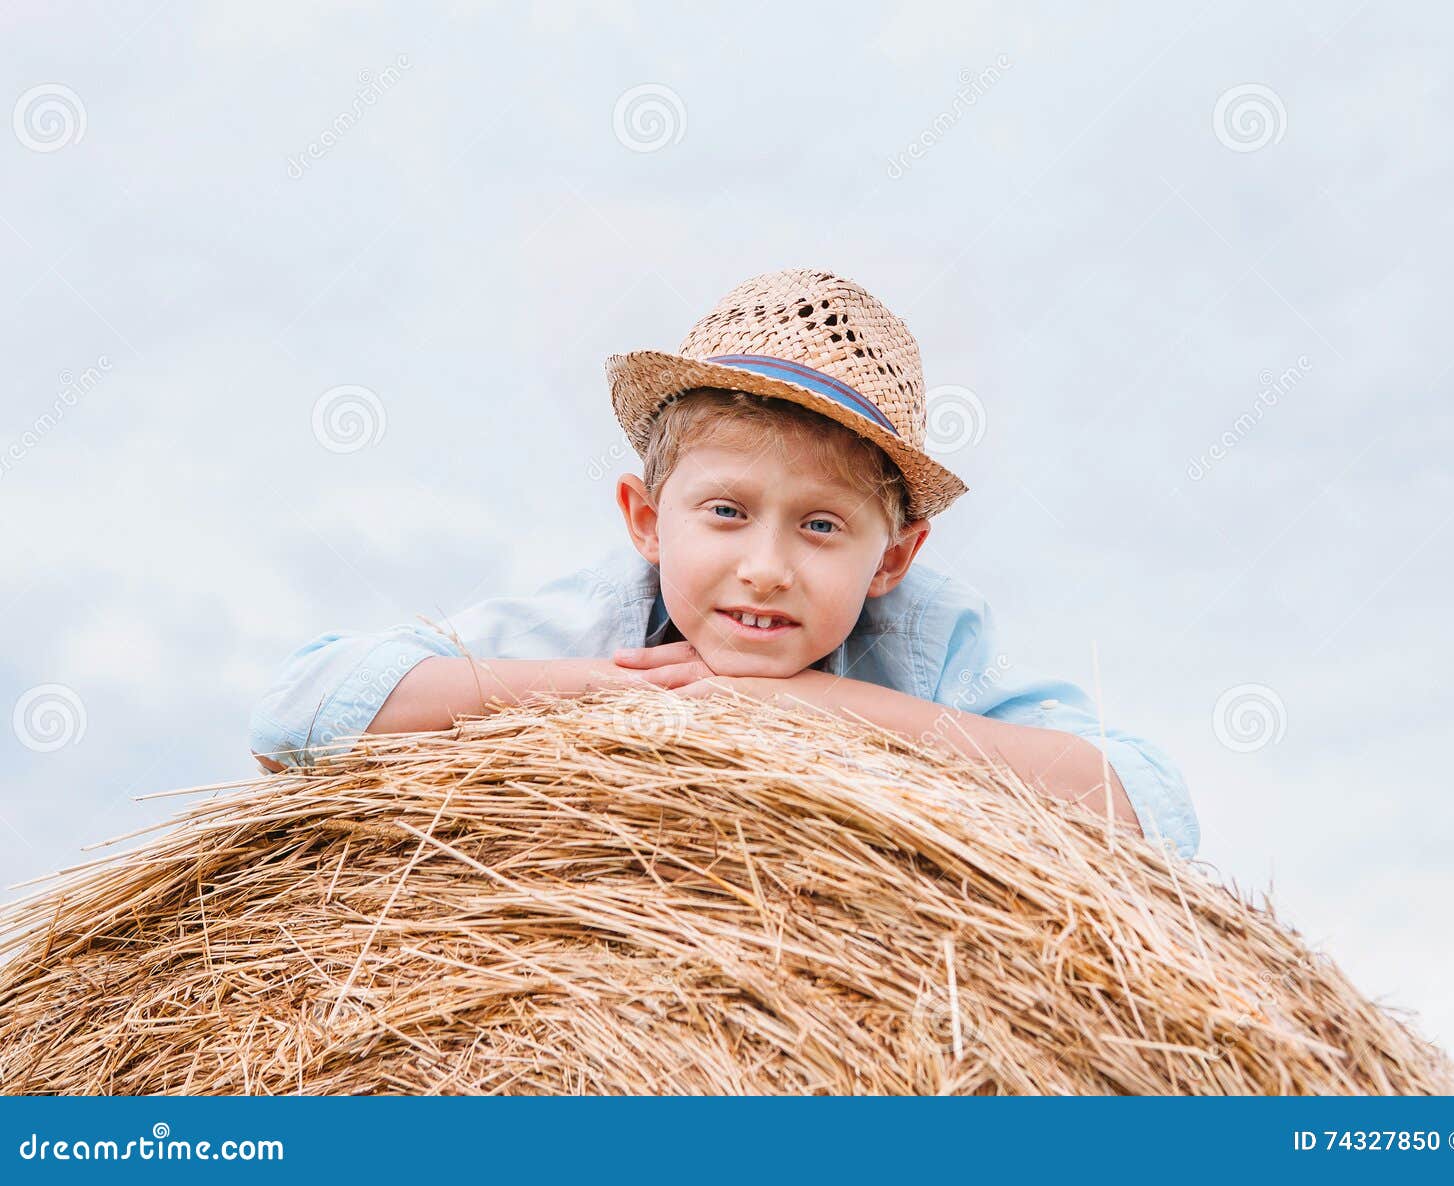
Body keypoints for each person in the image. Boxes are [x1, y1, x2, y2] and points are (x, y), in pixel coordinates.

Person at [249, 268, 1200, 860]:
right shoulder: (596, 621)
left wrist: (820, 711)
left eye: (822, 527)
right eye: (726, 513)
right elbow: (297, 712)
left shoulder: (926, 637)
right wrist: (612, 695)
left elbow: (1150, 810)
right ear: (647, 520)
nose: (766, 567)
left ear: (894, 557)